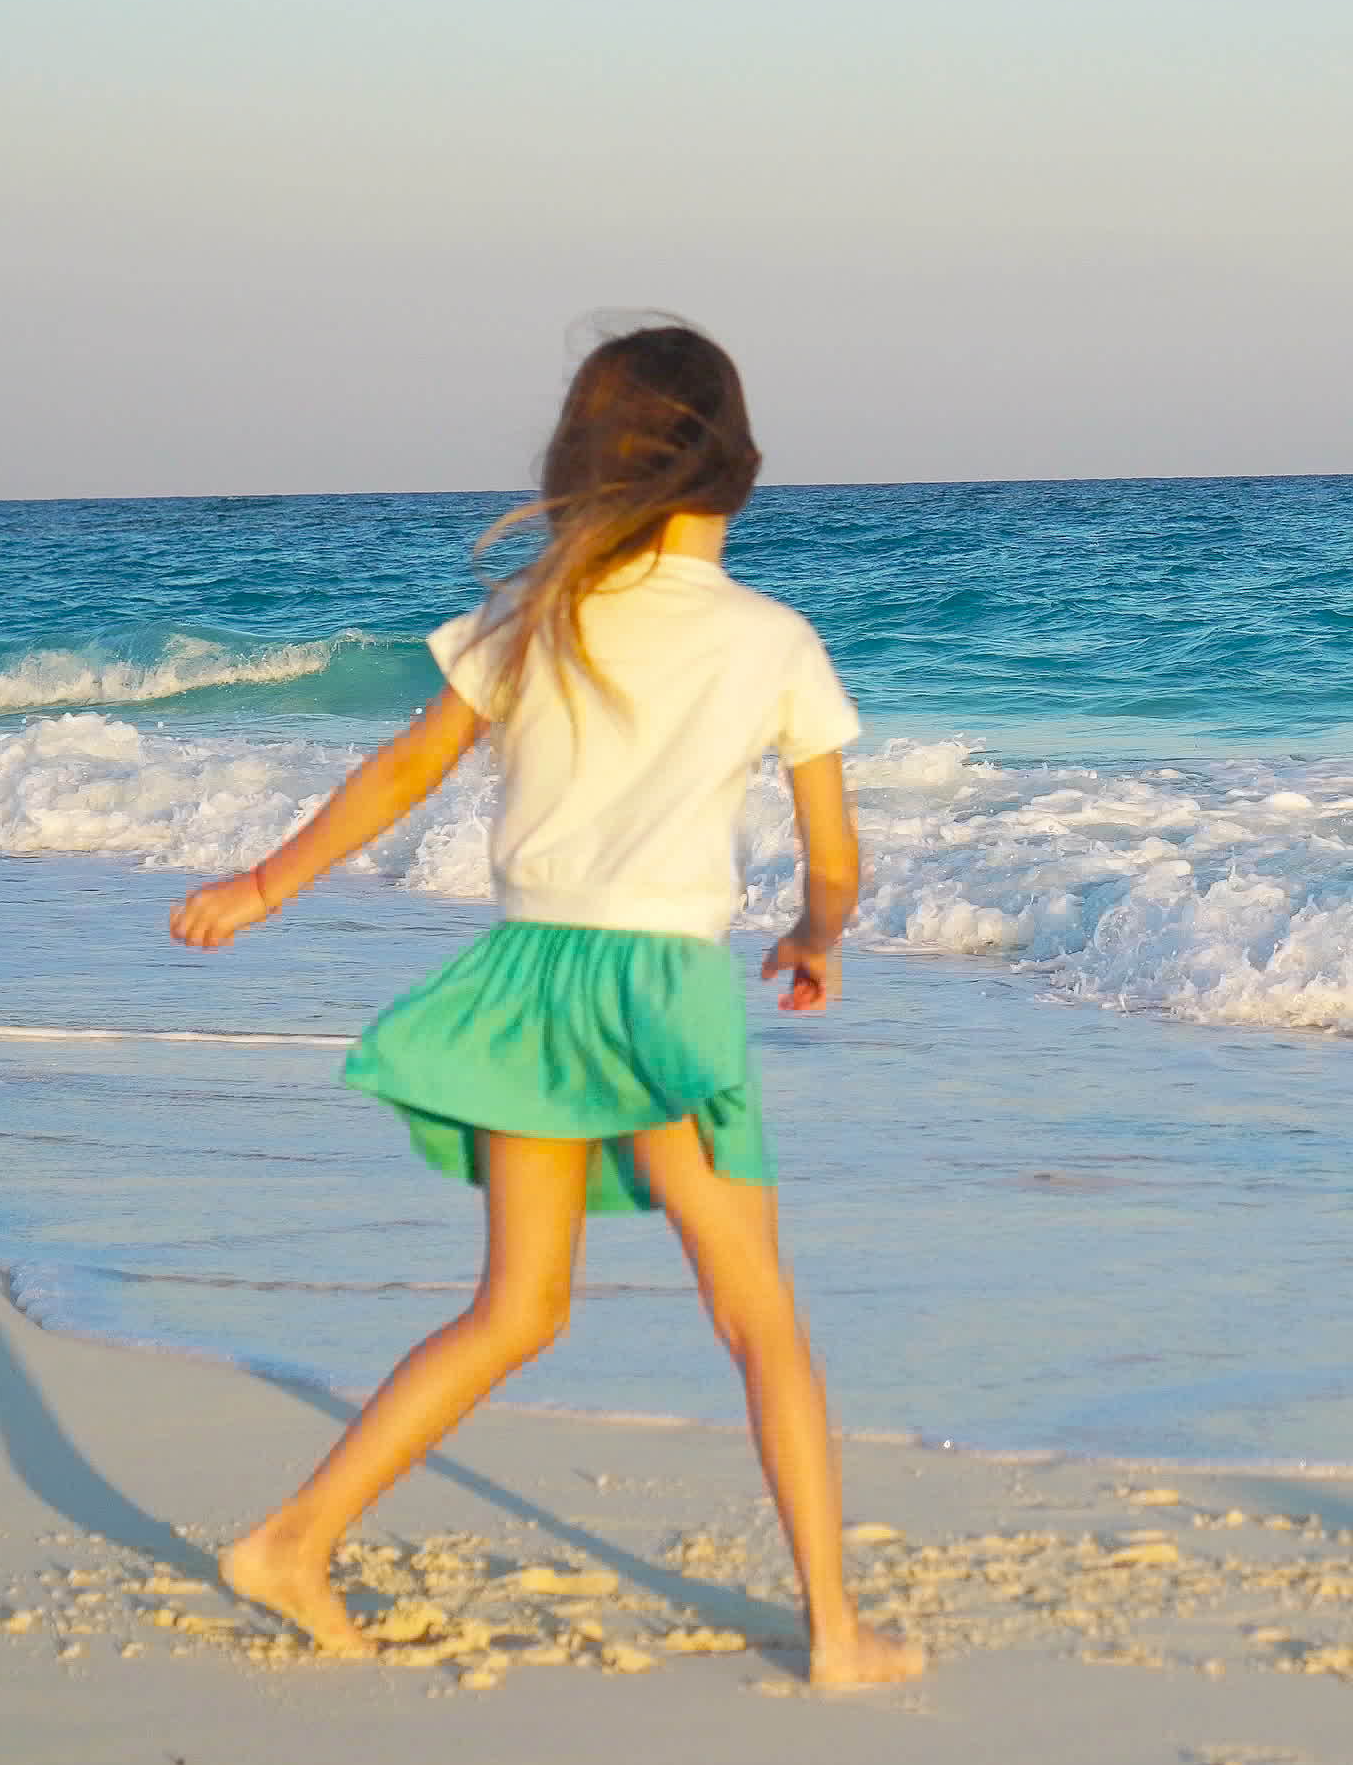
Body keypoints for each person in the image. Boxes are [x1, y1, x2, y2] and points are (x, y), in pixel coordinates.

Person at [168, 318, 921, 1688]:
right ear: (739, 465)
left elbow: (406, 772)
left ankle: (296, 1537)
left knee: (517, 1309)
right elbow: (835, 861)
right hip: (661, 998)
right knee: (759, 1321)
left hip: (527, 981)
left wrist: (267, 884)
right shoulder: (770, 641)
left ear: (584, 463)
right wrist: (815, 938)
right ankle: (833, 1631)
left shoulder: (536, 615)